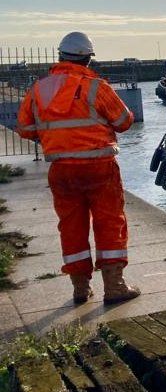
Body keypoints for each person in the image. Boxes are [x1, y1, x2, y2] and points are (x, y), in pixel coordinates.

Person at [16, 32, 139, 305]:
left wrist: (52, 136)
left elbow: (24, 128)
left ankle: (80, 288)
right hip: (99, 167)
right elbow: (123, 121)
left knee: (71, 227)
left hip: (62, 170)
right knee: (110, 223)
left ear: (59, 57)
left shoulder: (39, 89)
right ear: (87, 59)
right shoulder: (95, 86)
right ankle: (115, 286)